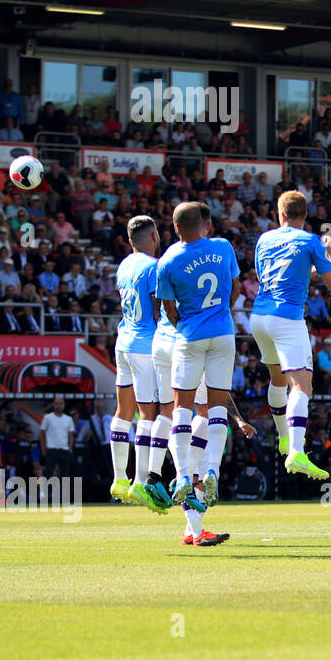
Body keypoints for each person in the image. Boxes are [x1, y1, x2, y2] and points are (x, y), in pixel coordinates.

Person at [156, 202, 238, 546]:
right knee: (217, 407)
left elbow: (168, 308)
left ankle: (182, 476)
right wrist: (220, 317)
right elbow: (233, 288)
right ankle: (213, 471)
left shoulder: (168, 261)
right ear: (206, 224)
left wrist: (188, 325)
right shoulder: (223, 247)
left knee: (182, 409)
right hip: (223, 334)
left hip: (188, 337)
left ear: (175, 228)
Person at [249, 190, 331, 482]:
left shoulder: (265, 239)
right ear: (304, 215)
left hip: (259, 317)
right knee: (302, 386)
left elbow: (275, 276)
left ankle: (284, 438)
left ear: (281, 214)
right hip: (287, 318)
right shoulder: (311, 240)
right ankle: (297, 452)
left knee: (277, 379)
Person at [110, 216, 167, 511]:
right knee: (149, 414)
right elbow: (160, 310)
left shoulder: (124, 265)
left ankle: (119, 478)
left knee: (123, 411)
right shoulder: (153, 267)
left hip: (123, 343)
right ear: (154, 237)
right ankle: (141, 482)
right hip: (146, 346)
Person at [39, 396, 75, 482]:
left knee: (65, 475)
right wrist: (43, 448)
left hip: (64, 450)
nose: (58, 406)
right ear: (53, 405)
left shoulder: (68, 419)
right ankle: (49, 494)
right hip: (51, 449)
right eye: (56, 404)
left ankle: (64, 495)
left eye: (60, 404)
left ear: (64, 405)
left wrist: (70, 449)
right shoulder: (48, 418)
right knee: (49, 474)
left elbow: (71, 435)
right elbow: (41, 433)